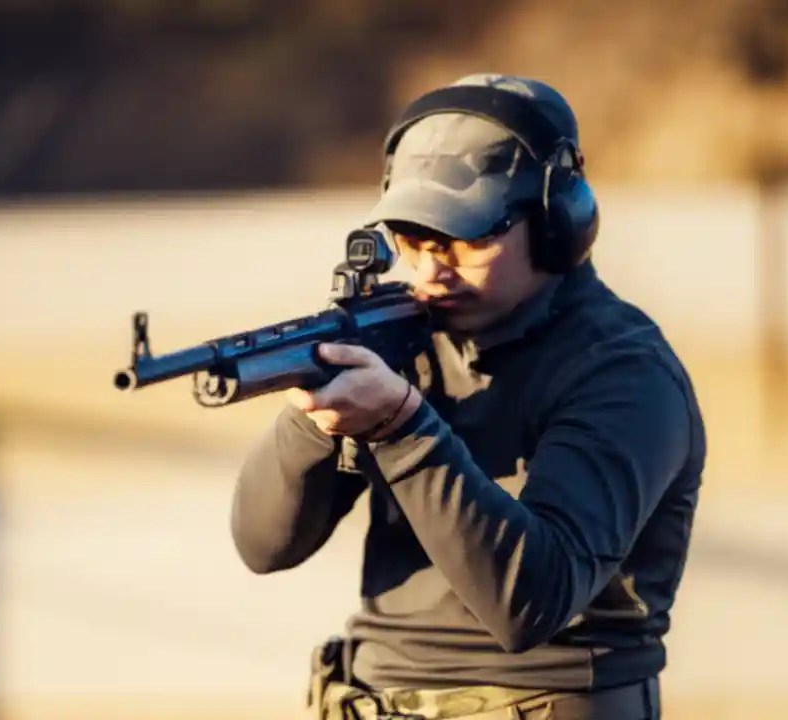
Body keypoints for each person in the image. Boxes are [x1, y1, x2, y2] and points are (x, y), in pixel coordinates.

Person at [230, 74, 705, 720]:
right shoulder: (408, 338)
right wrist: (311, 419)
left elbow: (529, 601)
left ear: (554, 223)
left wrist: (402, 428)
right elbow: (263, 543)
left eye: (467, 238)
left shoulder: (623, 371)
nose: (431, 270)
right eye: (413, 241)